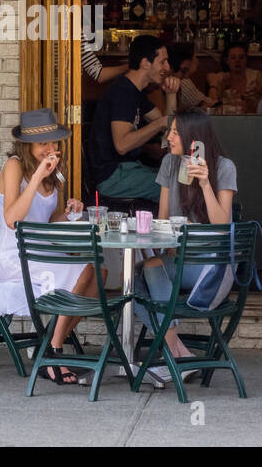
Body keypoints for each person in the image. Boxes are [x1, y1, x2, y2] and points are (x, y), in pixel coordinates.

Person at [0, 109, 92, 384]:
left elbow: (45, 221)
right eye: (43, 143)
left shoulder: (52, 172)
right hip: (16, 255)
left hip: (41, 251)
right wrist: (34, 178)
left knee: (99, 276)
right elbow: (12, 219)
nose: (51, 149)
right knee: (83, 270)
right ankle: (54, 352)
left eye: (54, 142)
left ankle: (49, 343)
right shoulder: (14, 166)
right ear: (27, 145)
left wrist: (69, 212)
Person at [138, 111, 238, 380]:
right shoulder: (170, 164)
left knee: (149, 270)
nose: (168, 137)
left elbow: (222, 225)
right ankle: (178, 354)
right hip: (179, 260)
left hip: (211, 268)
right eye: (168, 131)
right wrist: (166, 239)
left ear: (194, 137)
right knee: (134, 281)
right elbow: (161, 218)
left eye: (174, 132)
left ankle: (173, 359)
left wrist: (205, 183)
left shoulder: (223, 167)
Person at [90, 35, 179, 203]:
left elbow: (167, 125)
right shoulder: (122, 93)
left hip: (129, 170)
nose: (167, 67)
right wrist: (160, 123)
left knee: (180, 180)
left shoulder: (134, 92)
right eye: (162, 62)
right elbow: (122, 145)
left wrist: (171, 94)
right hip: (113, 176)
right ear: (145, 63)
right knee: (176, 187)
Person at [206, 42, 262, 109]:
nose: (237, 60)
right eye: (233, 58)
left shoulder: (257, 76)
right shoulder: (221, 78)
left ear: (246, 59)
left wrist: (260, 92)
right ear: (226, 61)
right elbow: (212, 103)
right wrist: (221, 89)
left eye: (241, 57)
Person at [166, 43, 213, 112]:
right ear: (170, 68)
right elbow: (165, 120)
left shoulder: (178, 85)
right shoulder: (156, 88)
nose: (186, 76)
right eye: (183, 71)